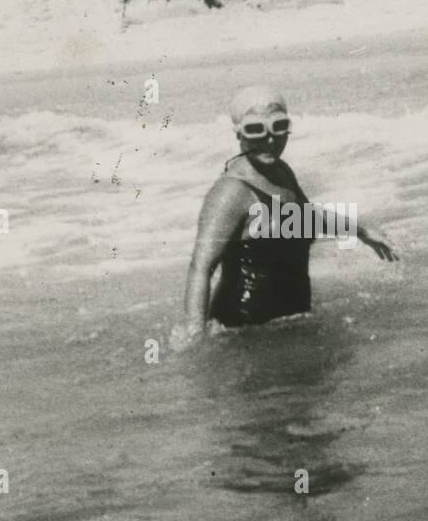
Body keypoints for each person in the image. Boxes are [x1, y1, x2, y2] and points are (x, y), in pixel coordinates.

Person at [170, 85, 398, 350]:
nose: (269, 140)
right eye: (256, 130)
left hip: (291, 323)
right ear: (239, 134)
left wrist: (361, 231)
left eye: (278, 127)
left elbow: (305, 217)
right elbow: (201, 267)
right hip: (246, 332)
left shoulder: (280, 172)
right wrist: (196, 336)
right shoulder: (230, 191)